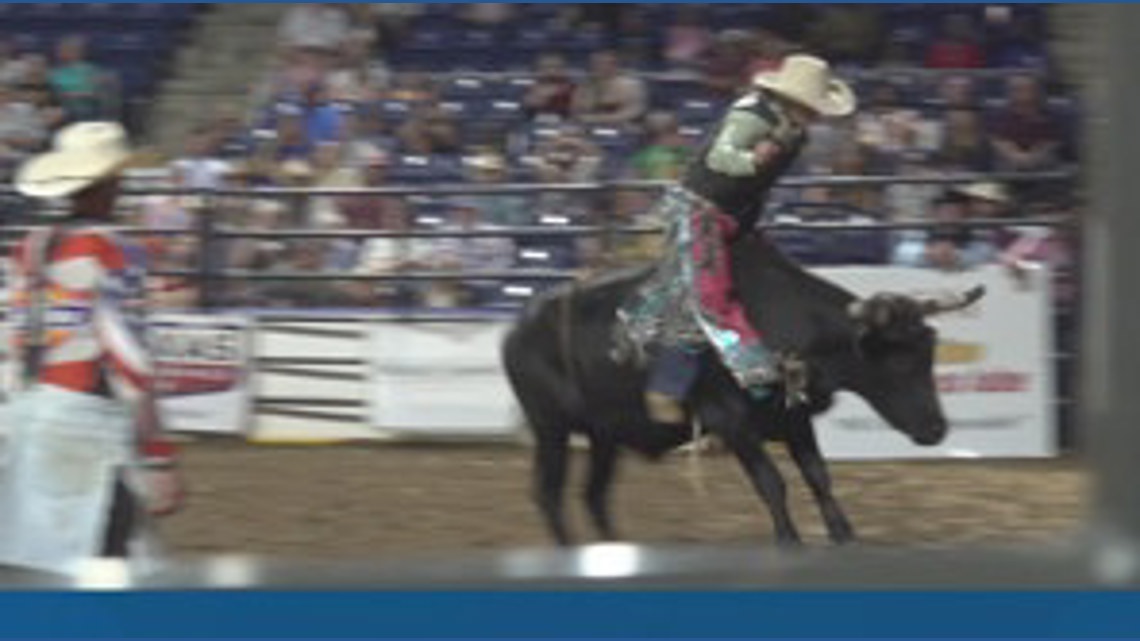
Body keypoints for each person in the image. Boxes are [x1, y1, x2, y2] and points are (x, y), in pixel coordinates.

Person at [616, 55, 856, 426]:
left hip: (733, 217)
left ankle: (722, 394)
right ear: (795, 102)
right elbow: (722, 157)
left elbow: (756, 182)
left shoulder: (792, 130)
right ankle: (667, 389)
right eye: (813, 107)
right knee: (708, 301)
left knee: (759, 283)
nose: (816, 116)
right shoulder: (752, 116)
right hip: (700, 212)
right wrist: (753, 161)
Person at [1, 122, 184, 575]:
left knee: (41, 556)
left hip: (31, 413)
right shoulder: (115, 251)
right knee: (113, 559)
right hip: (90, 425)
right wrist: (158, 452)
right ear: (114, 182)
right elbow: (128, 354)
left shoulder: (30, 248)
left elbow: (12, 335)